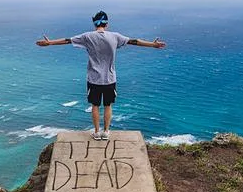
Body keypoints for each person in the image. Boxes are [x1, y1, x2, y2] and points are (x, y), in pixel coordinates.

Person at [36, 10, 166, 140]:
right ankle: (106, 131)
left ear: (94, 24)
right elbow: (134, 41)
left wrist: (50, 43)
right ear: (107, 24)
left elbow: (67, 40)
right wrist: (153, 45)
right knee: (108, 105)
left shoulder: (87, 36)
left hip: (93, 79)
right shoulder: (115, 36)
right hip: (109, 78)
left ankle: (97, 132)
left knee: (95, 106)